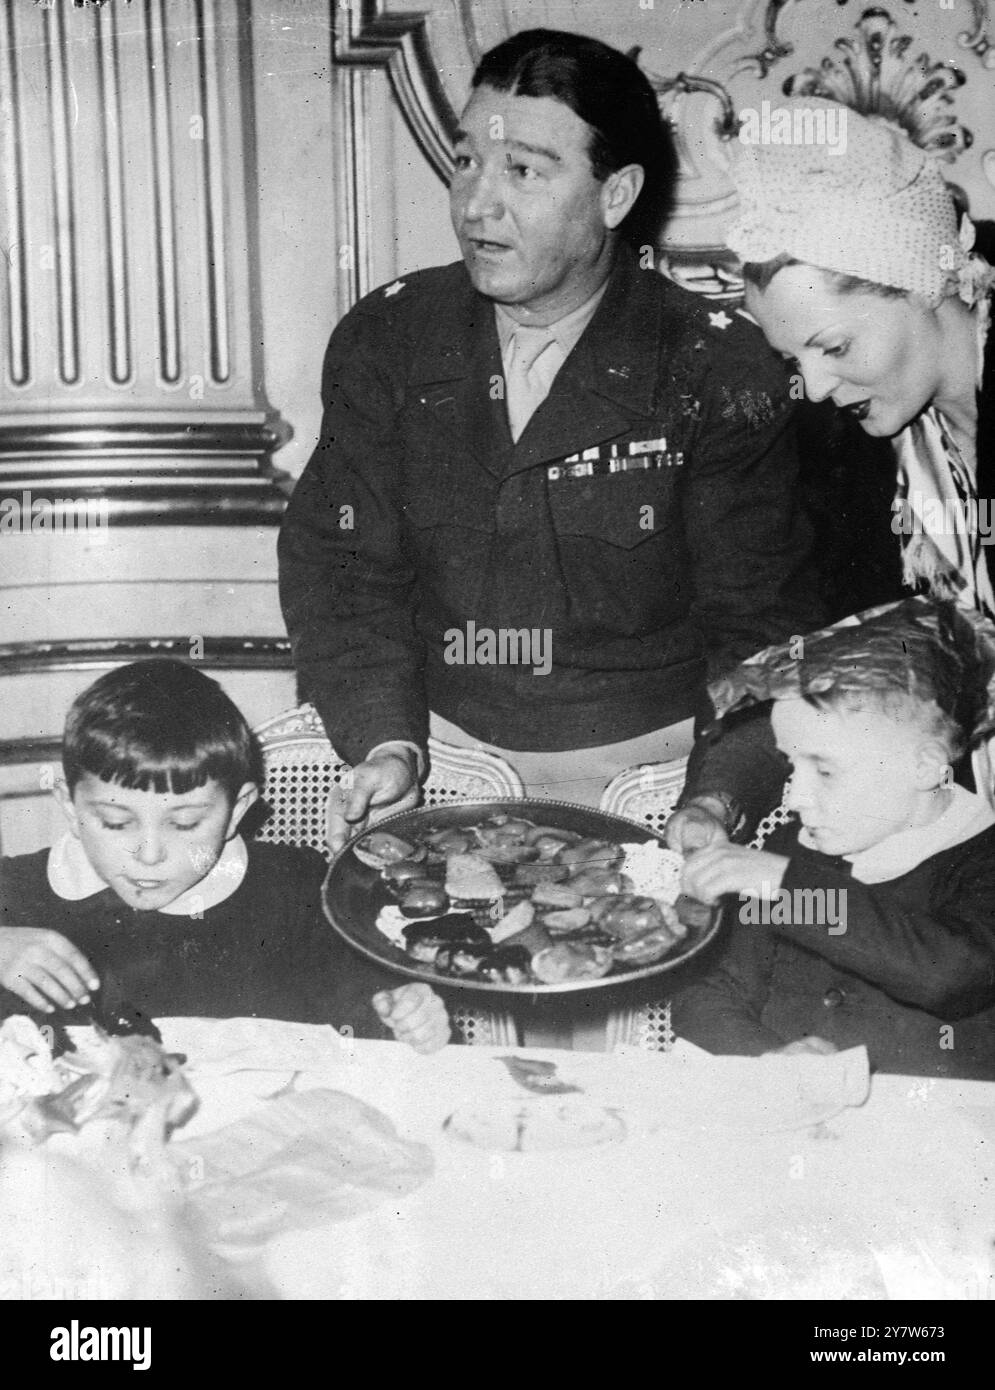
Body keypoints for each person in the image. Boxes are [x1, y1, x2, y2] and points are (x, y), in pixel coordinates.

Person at [278, 28, 822, 855]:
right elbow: (344, 574)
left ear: (615, 195)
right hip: (434, 768)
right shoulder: (388, 338)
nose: (475, 205)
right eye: (467, 162)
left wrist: (717, 796)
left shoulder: (717, 366)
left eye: (523, 171)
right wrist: (383, 742)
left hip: (655, 787)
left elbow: (757, 631)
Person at [0, 661, 450, 1053]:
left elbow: (367, 1006)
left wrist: (402, 1009)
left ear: (237, 810)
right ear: (70, 808)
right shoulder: (16, 896)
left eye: (185, 823)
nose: (150, 855)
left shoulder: (297, 891)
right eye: (117, 823)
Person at [671, 599, 995, 1078]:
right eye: (791, 765)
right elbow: (710, 992)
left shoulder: (979, 858)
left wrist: (790, 887)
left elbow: (946, 973)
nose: (796, 796)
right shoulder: (792, 847)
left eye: (823, 770)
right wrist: (767, 1060)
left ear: (925, 767)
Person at [727, 96, 995, 620]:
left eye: (833, 346)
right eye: (792, 360)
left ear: (919, 284)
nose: (817, 386)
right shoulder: (850, 455)